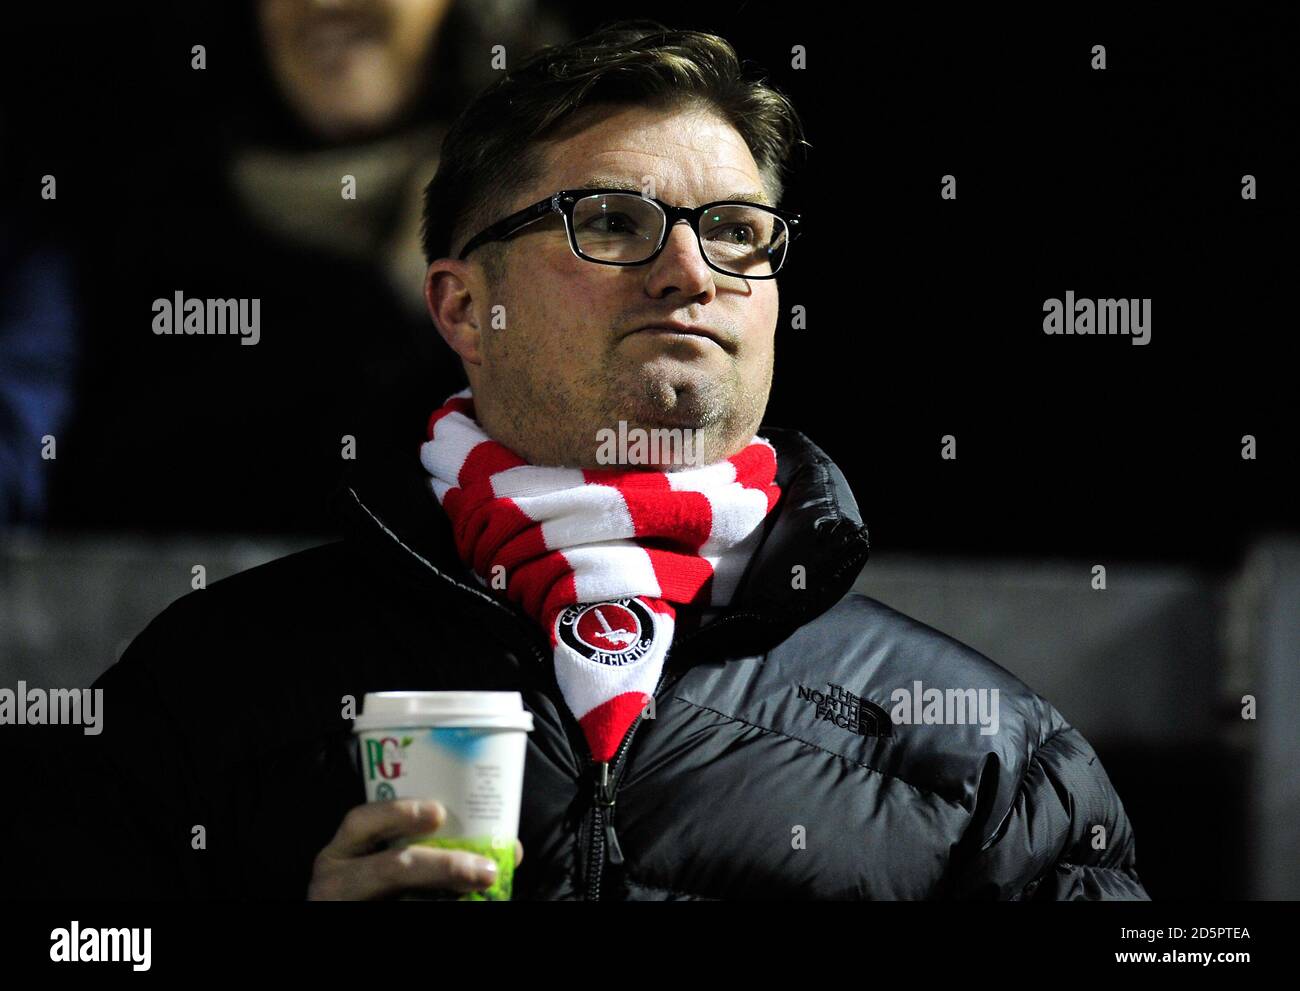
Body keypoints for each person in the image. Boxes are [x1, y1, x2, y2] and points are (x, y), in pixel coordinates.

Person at [26, 21, 1149, 900]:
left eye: (738, 231)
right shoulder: (202, 688)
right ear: (464, 307)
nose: (688, 272)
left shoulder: (990, 755)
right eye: (611, 223)